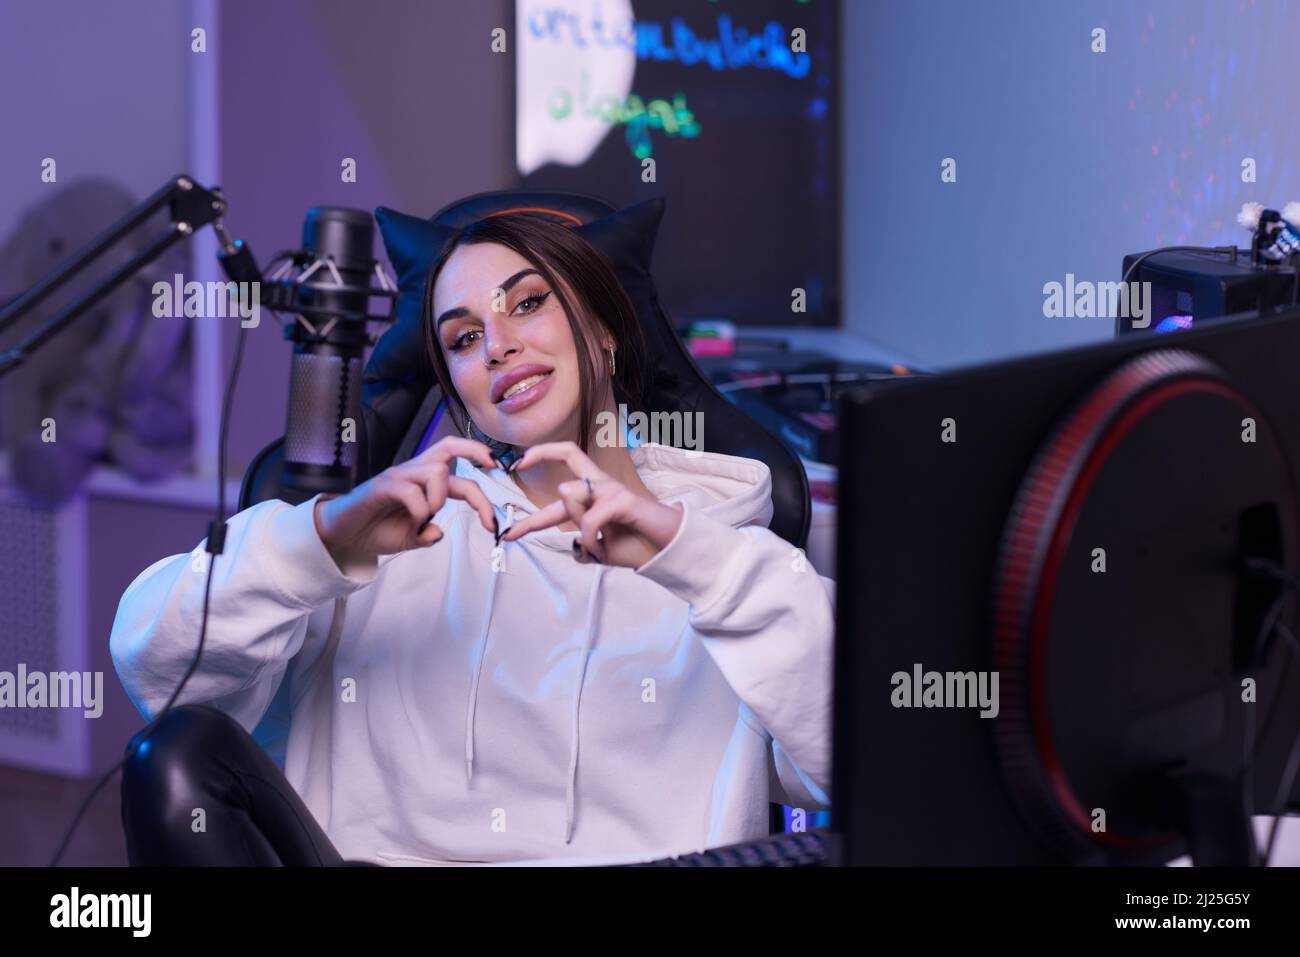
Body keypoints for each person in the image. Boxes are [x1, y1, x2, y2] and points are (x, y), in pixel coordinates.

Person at [109, 212, 835, 866]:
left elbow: (867, 756)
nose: (498, 344)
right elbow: (159, 669)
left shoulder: (721, 555)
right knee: (173, 755)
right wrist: (322, 541)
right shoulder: (393, 538)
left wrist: (689, 558)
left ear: (607, 329)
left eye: (527, 302)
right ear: (458, 390)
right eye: (462, 337)